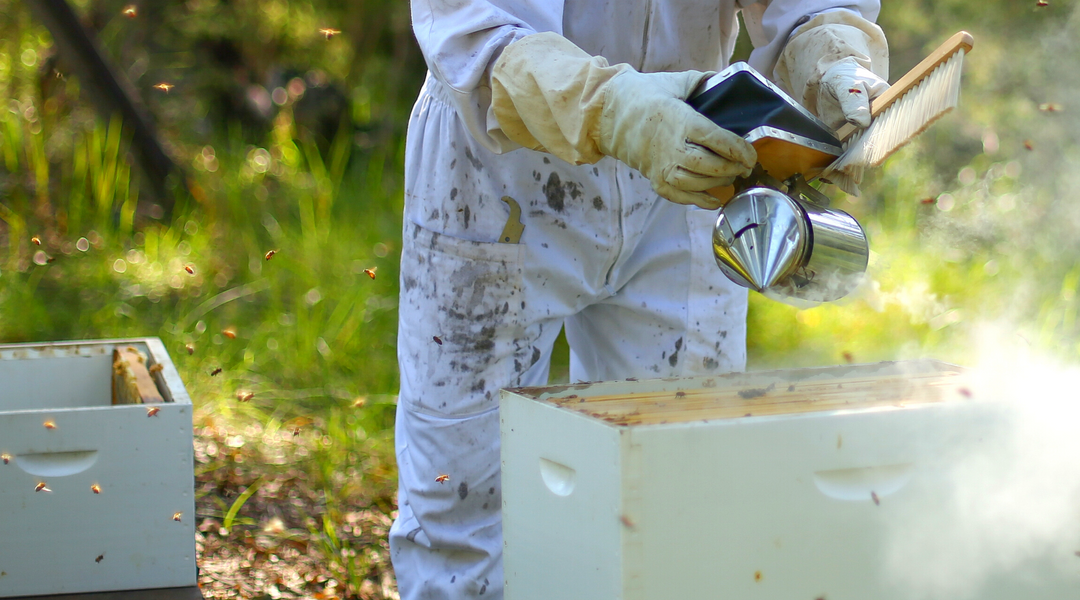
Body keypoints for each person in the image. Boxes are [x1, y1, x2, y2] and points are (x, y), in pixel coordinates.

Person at [391, 2, 889, 598]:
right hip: (498, 170)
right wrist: (613, 110)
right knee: (462, 510)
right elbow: (474, 30)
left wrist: (829, 51)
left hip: (692, 163)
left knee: (676, 495)